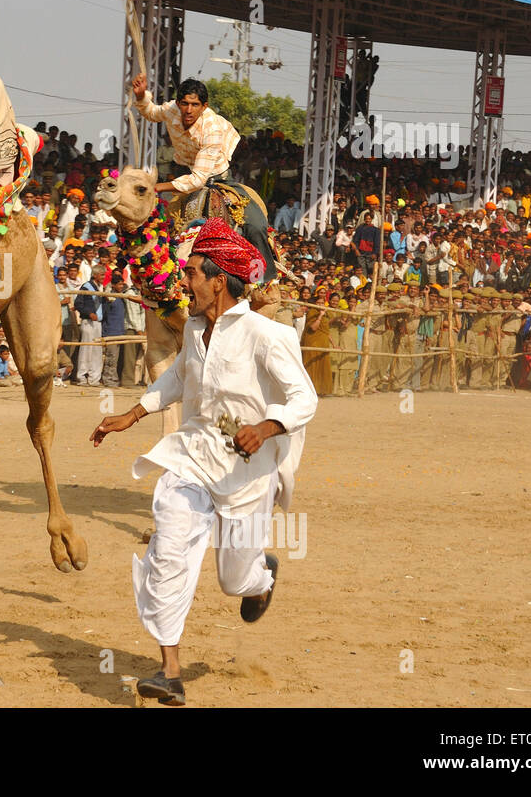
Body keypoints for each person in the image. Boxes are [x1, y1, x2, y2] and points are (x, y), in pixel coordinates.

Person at [89, 218, 318, 707]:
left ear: (219, 280)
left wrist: (267, 427)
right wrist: (131, 414)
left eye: (192, 272)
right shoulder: (194, 329)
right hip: (192, 456)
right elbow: (177, 379)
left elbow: (304, 397)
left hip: (246, 474)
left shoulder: (266, 334)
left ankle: (262, 577)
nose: (184, 281)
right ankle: (170, 671)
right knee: (168, 549)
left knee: (233, 579)